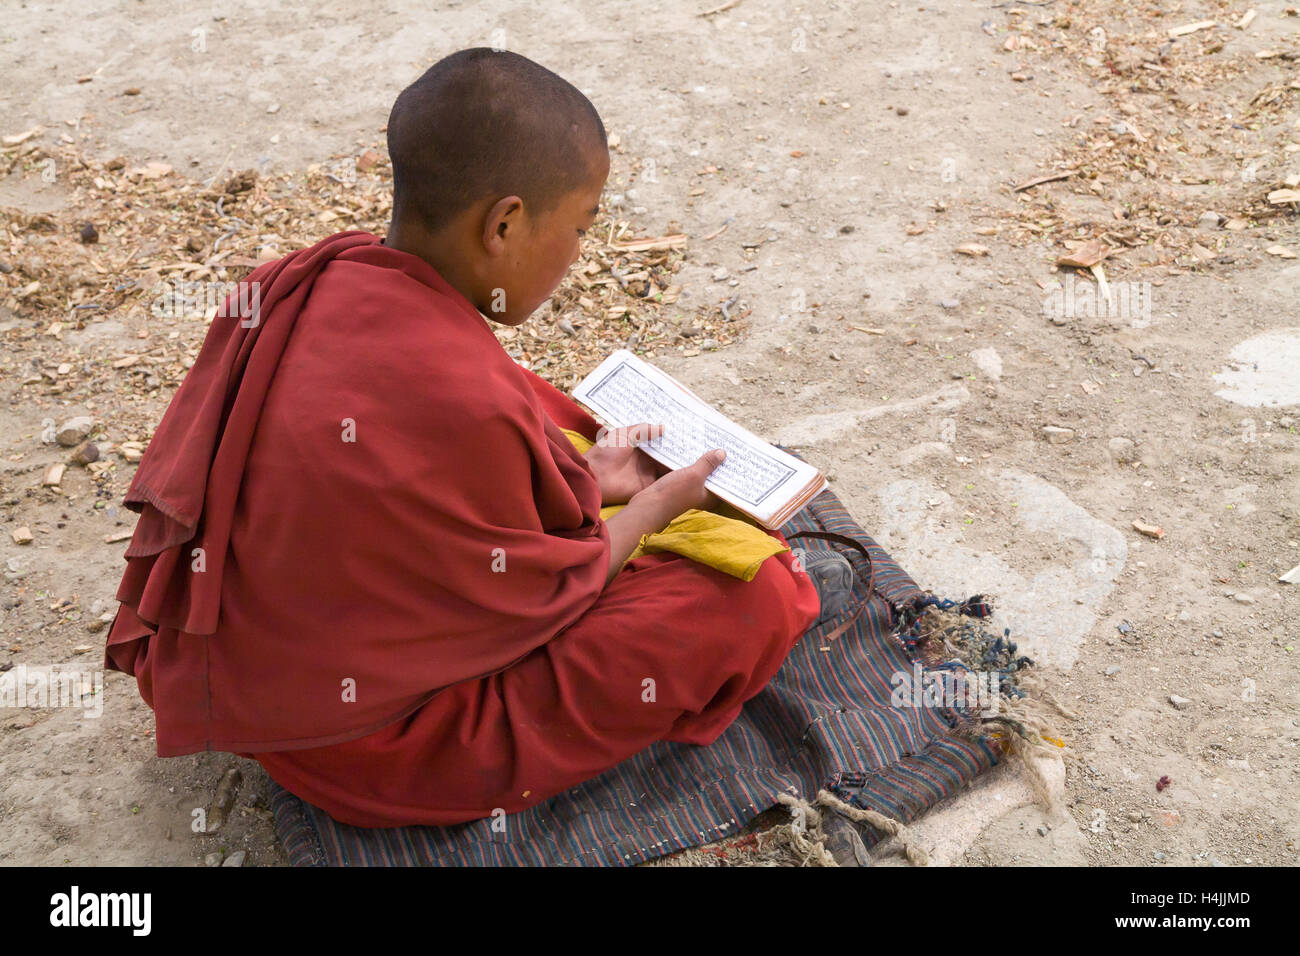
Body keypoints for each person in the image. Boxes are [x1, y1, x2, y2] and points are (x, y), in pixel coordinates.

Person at [105, 48, 851, 827]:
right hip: (371, 744)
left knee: (531, 405)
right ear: (503, 224)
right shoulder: (459, 394)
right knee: (750, 594)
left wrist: (587, 481)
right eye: (579, 228)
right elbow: (539, 594)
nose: (577, 253)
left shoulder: (302, 279)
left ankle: (576, 489)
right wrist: (654, 507)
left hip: (247, 665)